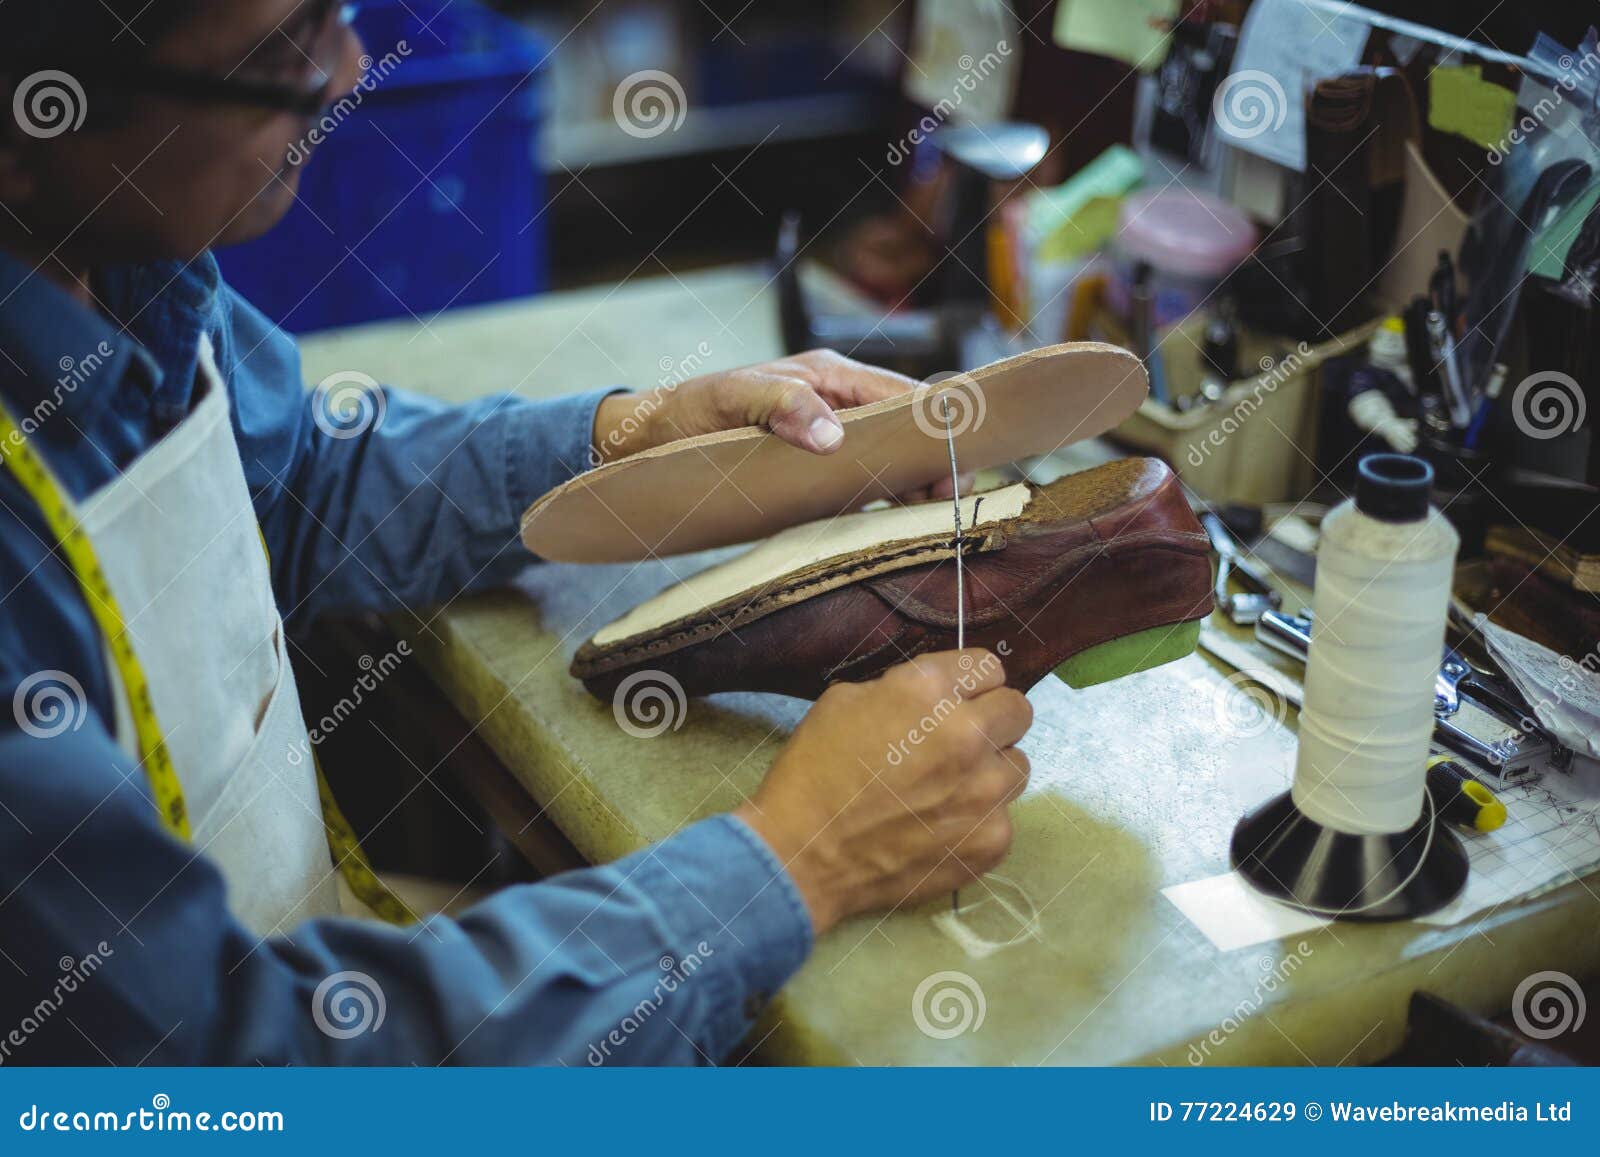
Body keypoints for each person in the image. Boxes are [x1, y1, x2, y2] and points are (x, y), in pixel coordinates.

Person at [0, 0, 1033, 1065]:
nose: (354, 69)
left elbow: (287, 485)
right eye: (280, 54)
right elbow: (234, 1065)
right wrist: (798, 857)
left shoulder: (122, 267)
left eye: (335, 14)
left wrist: (638, 438)